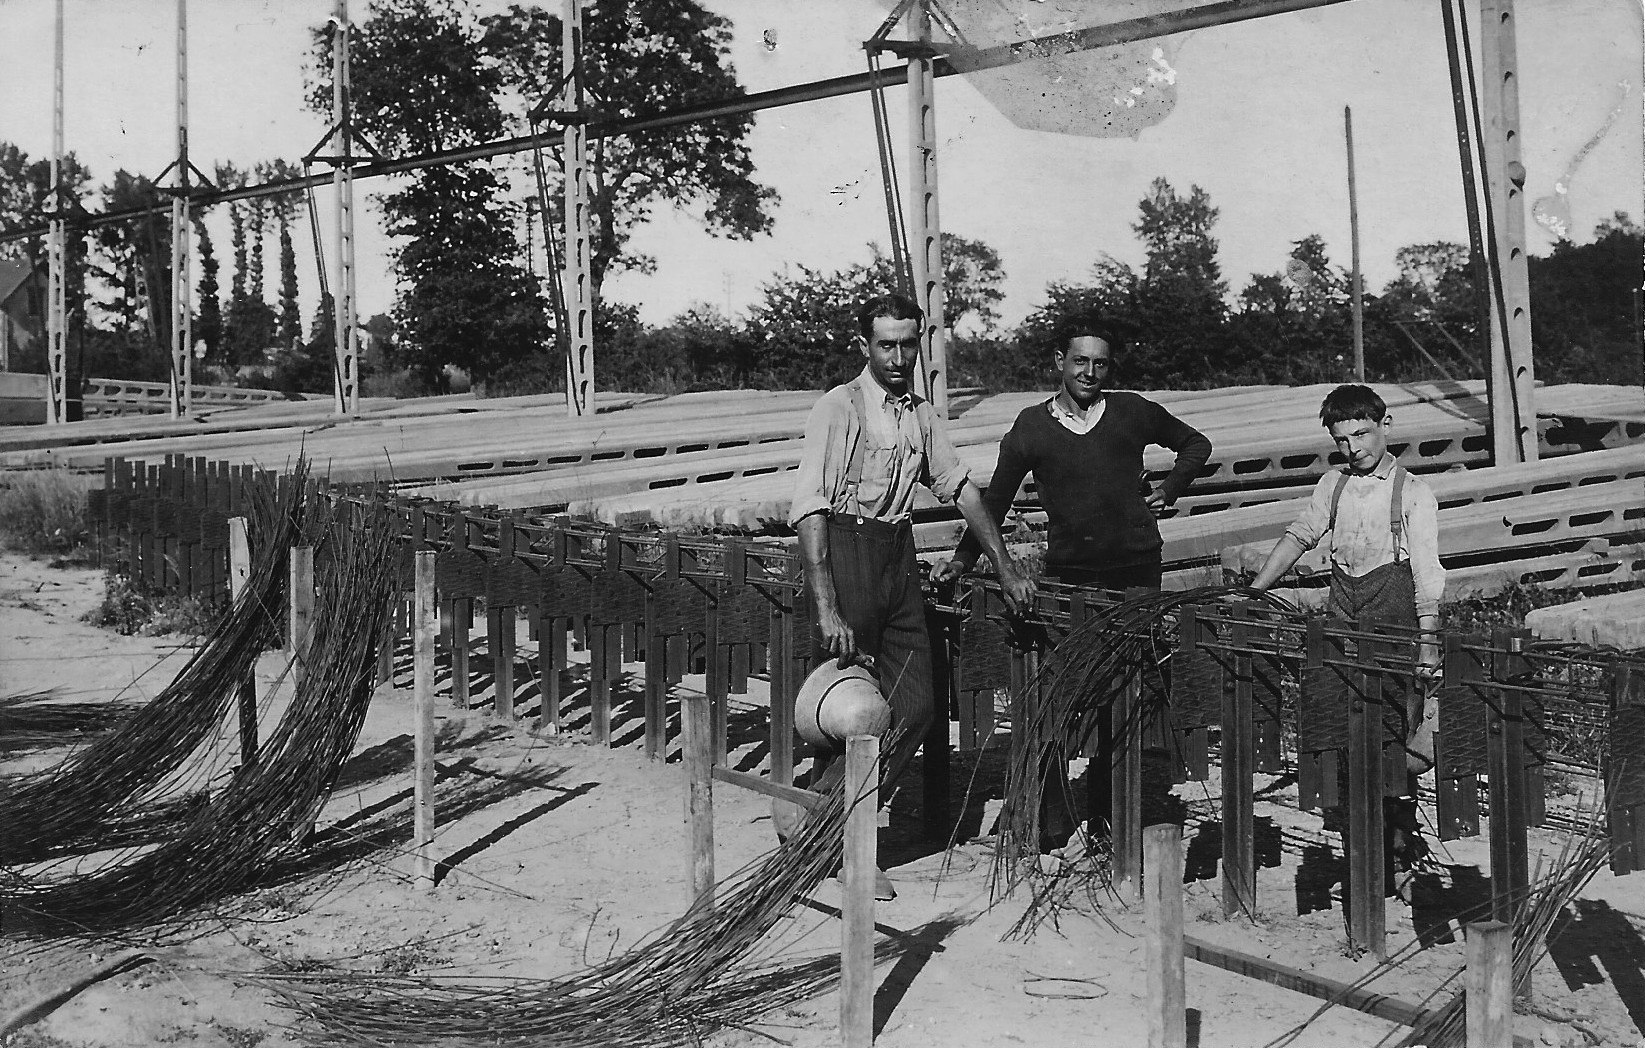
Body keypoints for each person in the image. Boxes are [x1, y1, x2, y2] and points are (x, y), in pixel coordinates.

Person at [788, 292, 1035, 897]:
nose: (898, 357)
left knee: (918, 706)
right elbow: (810, 509)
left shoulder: (922, 416)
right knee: (848, 708)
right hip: (845, 553)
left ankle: (813, 819)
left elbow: (961, 488)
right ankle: (850, 850)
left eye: (908, 344)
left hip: (897, 557)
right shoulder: (837, 408)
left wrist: (1002, 566)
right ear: (864, 347)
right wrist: (826, 604)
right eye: (885, 345)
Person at [1247, 384, 1444, 869]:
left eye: (1361, 434)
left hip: (1393, 631)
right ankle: (1363, 844)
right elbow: (1299, 536)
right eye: (1342, 439)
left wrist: (1428, 644)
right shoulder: (1332, 486)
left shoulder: (1414, 493)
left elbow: (1425, 574)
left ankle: (1398, 846)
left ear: (1385, 426)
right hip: (1341, 626)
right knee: (1340, 735)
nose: (1353, 448)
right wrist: (1255, 591)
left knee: (1393, 743)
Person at [936, 329, 1213, 591]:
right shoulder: (1031, 427)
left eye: (1100, 364)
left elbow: (1196, 444)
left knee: (1139, 641)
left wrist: (1169, 490)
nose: (1090, 373)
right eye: (1080, 361)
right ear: (1060, 361)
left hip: (1138, 566)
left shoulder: (1132, 410)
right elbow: (994, 505)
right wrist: (962, 561)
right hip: (1071, 573)